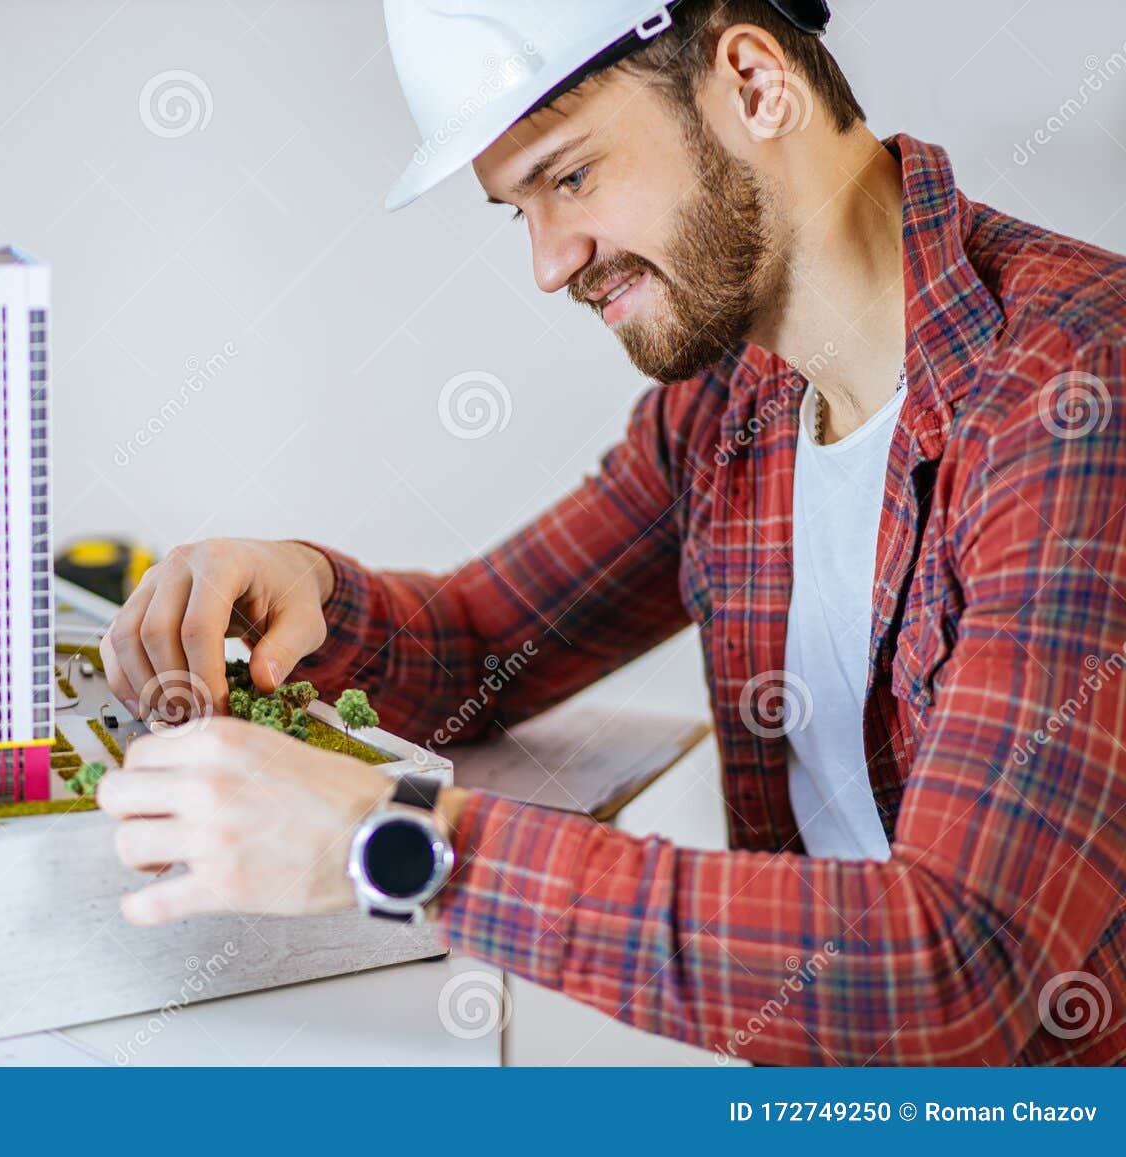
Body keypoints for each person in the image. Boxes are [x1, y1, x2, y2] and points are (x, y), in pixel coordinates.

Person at [97, 0, 1126, 1065]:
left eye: (571, 176)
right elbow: (481, 650)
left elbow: (963, 966)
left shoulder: (1072, 389)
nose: (551, 262)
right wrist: (296, 582)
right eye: (518, 210)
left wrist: (401, 841)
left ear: (754, 83)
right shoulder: (730, 411)